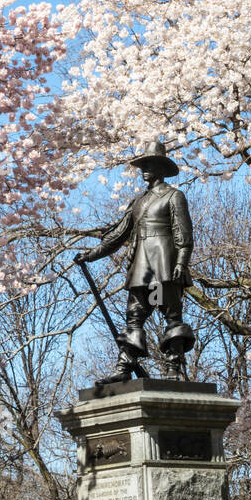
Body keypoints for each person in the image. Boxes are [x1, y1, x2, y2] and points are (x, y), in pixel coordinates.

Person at [76, 140, 196, 383]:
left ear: (161, 168)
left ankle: (173, 368)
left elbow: (184, 235)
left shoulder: (174, 196)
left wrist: (181, 264)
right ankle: (124, 368)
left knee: (170, 313)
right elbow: (117, 235)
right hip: (143, 268)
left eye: (149, 164)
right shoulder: (138, 203)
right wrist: (90, 255)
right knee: (135, 315)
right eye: (142, 165)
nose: (144, 170)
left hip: (164, 265)